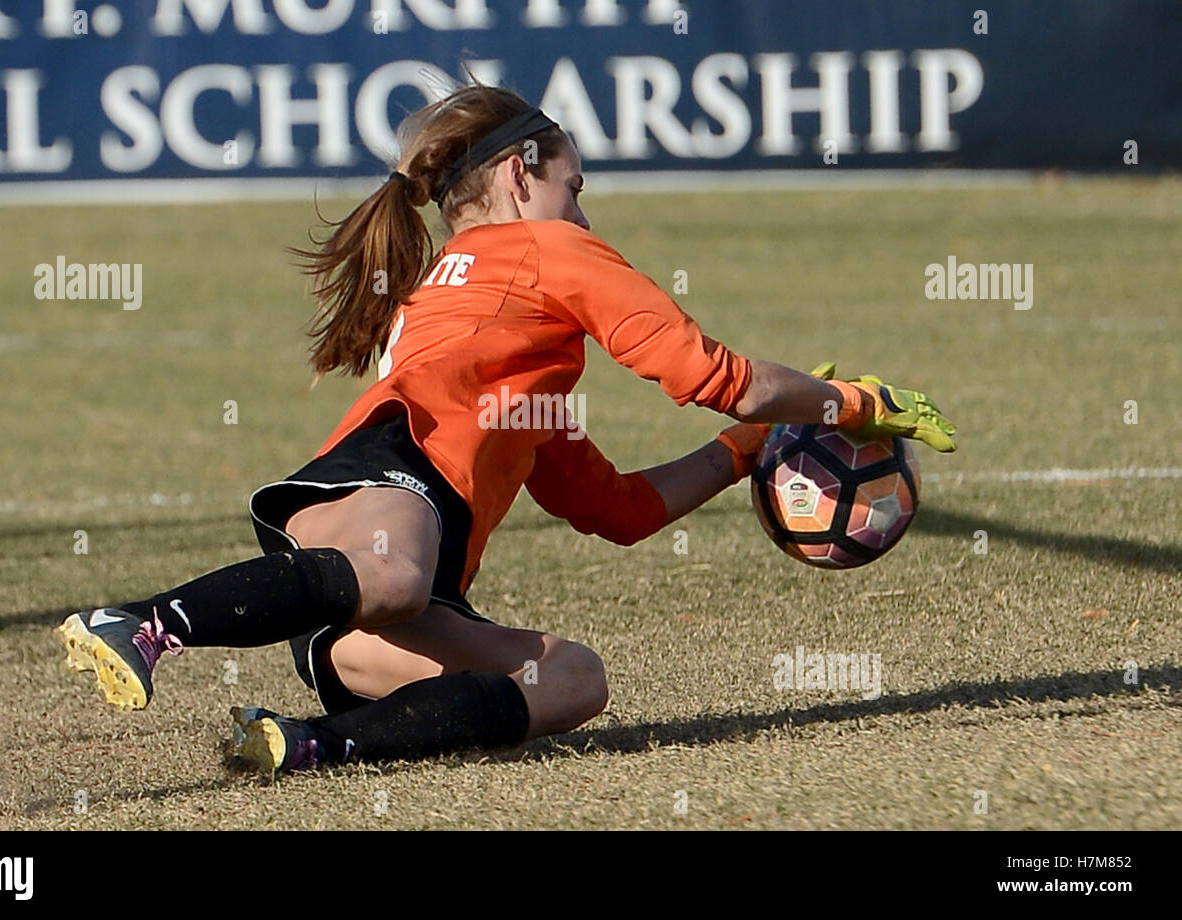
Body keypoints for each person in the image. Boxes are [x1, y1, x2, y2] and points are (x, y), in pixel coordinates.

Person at [56, 82, 956, 773]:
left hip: (369, 614)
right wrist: (858, 405)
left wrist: (736, 459)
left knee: (570, 681)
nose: (586, 216)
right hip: (385, 503)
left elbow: (615, 507)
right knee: (400, 576)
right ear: (521, 174)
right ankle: (143, 622)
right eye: (574, 187)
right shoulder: (548, 252)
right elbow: (712, 376)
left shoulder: (506, 342)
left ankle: (312, 744)